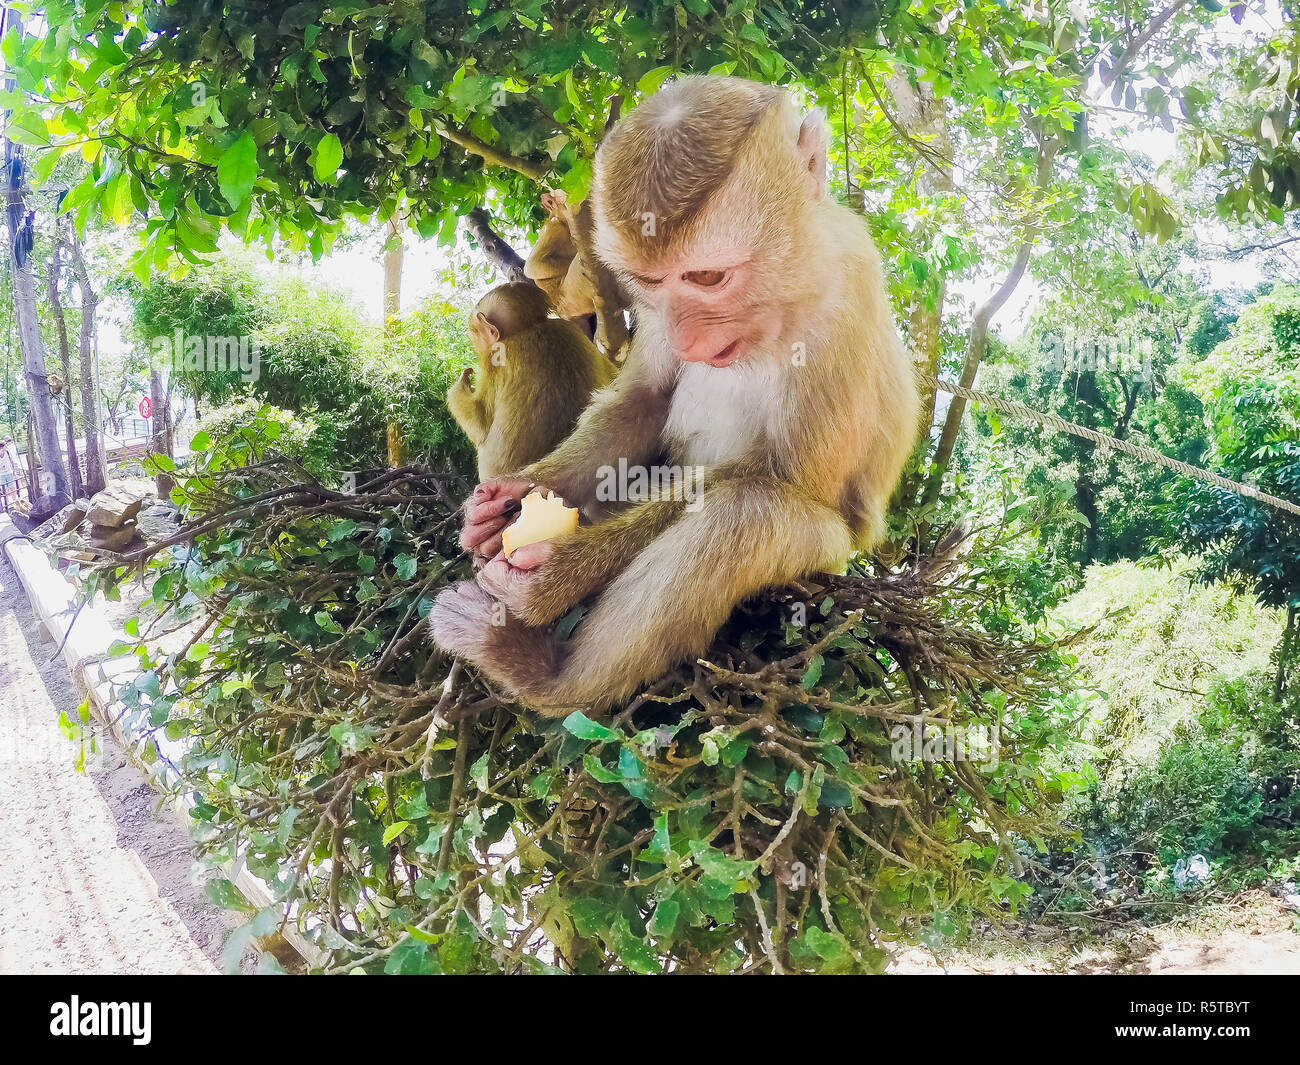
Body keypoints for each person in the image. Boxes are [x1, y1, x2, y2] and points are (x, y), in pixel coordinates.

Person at [0, 435, 24, 512]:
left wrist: (14, 472)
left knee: (13, 489)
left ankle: (16, 505)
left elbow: (12, 462)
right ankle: (6, 506)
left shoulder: (7, 452)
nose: (6, 447)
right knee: (5, 491)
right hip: (1, 475)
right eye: (5, 446)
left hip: (9, 472)